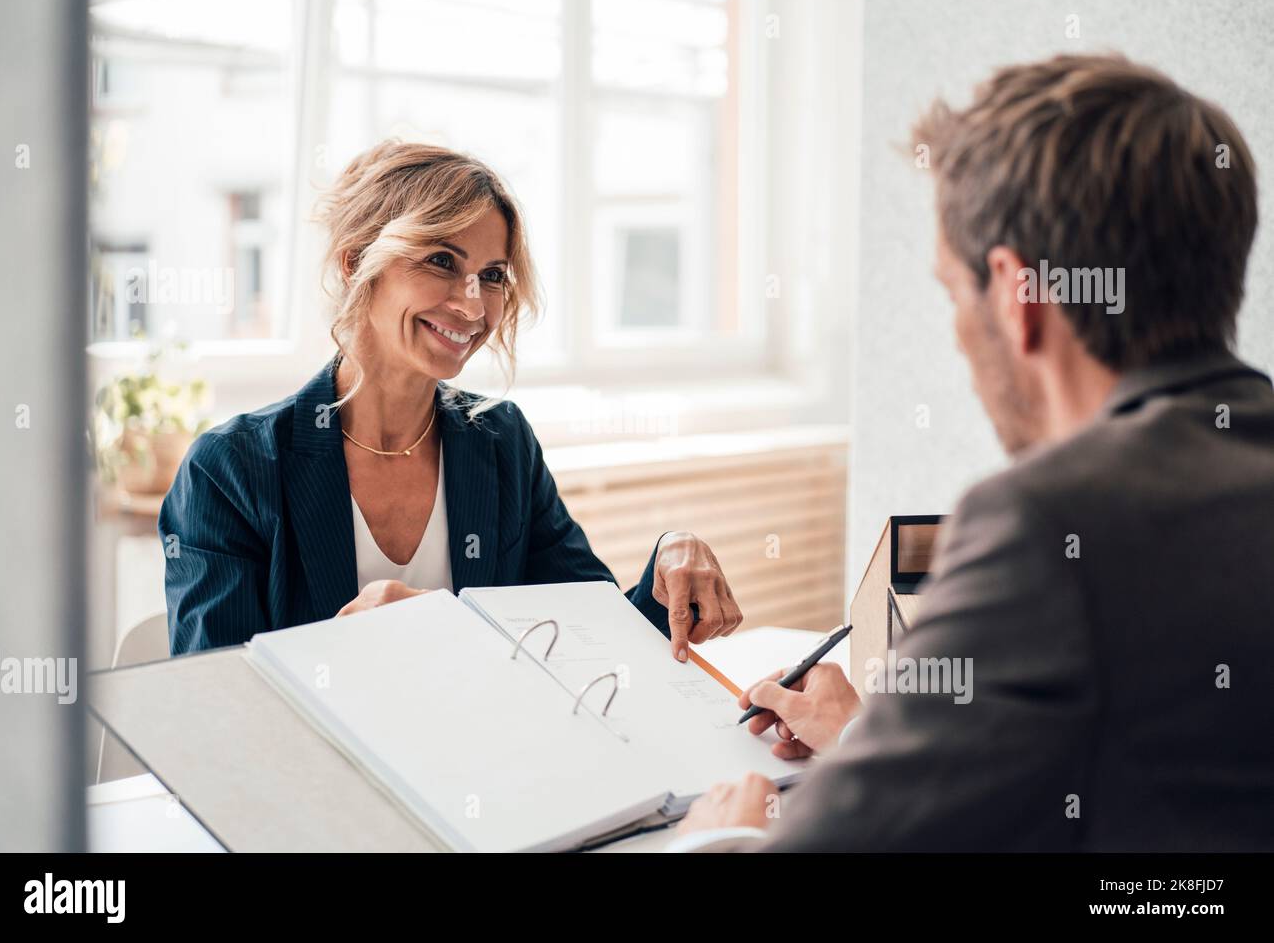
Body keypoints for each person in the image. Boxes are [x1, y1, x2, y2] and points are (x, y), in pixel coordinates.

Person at [676, 53, 1274, 851]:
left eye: (954, 292)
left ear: (1018, 295)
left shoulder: (1053, 524)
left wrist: (727, 837)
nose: (958, 334)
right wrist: (871, 745)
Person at [160, 142, 743, 658]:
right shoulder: (231, 470)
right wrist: (342, 652)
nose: (472, 307)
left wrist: (668, 560)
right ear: (356, 262)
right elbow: (219, 720)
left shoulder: (500, 442)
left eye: (492, 275)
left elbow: (590, 645)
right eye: (442, 261)